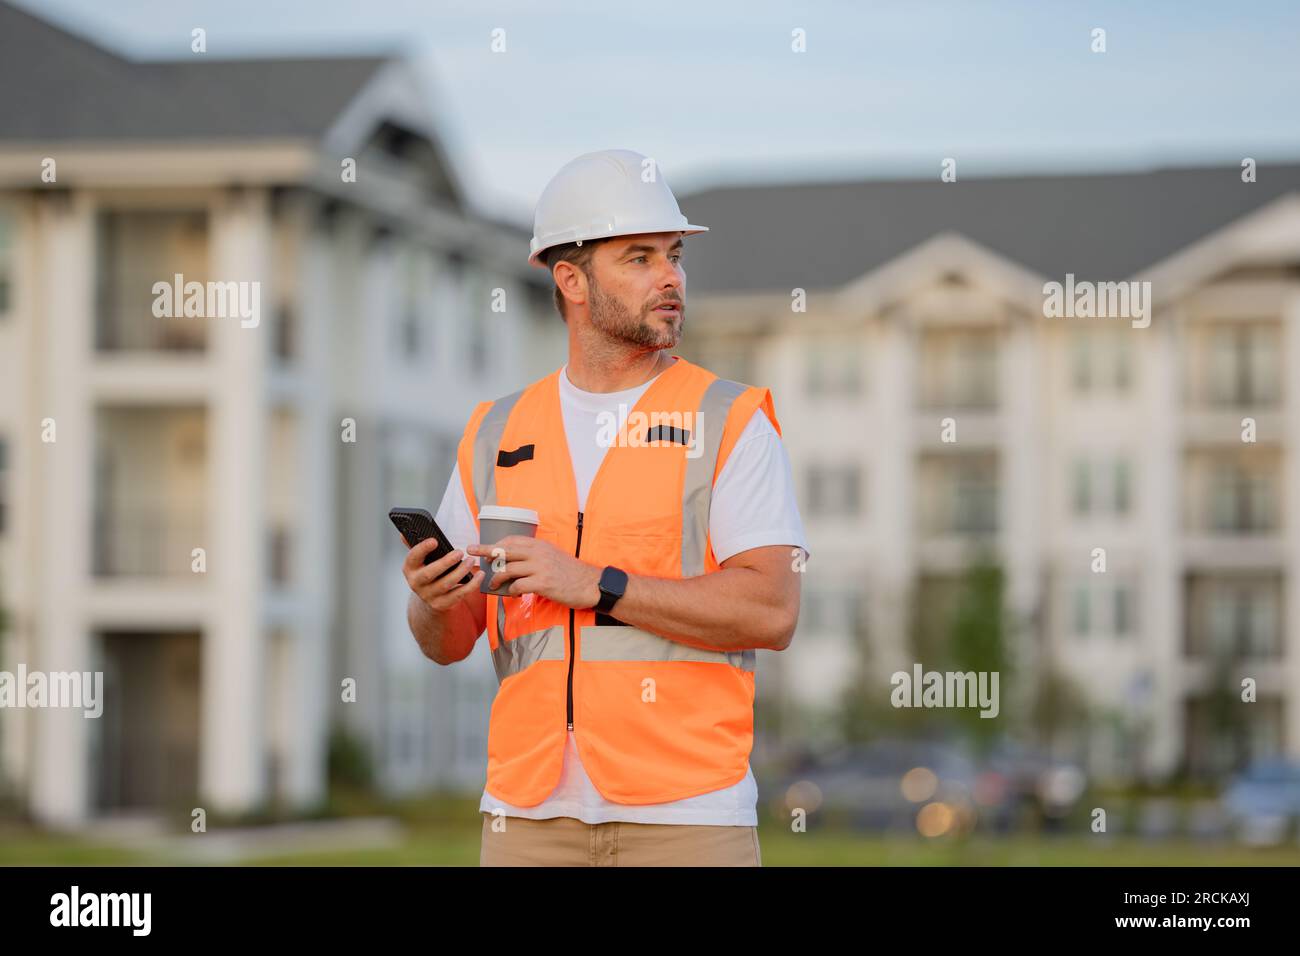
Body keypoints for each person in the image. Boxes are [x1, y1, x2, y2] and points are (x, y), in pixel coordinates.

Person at [402, 149, 809, 866]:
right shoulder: (495, 432)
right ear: (571, 279)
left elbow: (772, 611)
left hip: (687, 816)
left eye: (674, 257)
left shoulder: (731, 421)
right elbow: (450, 641)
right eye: (640, 259)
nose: (671, 279)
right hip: (525, 816)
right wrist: (431, 602)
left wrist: (596, 584)